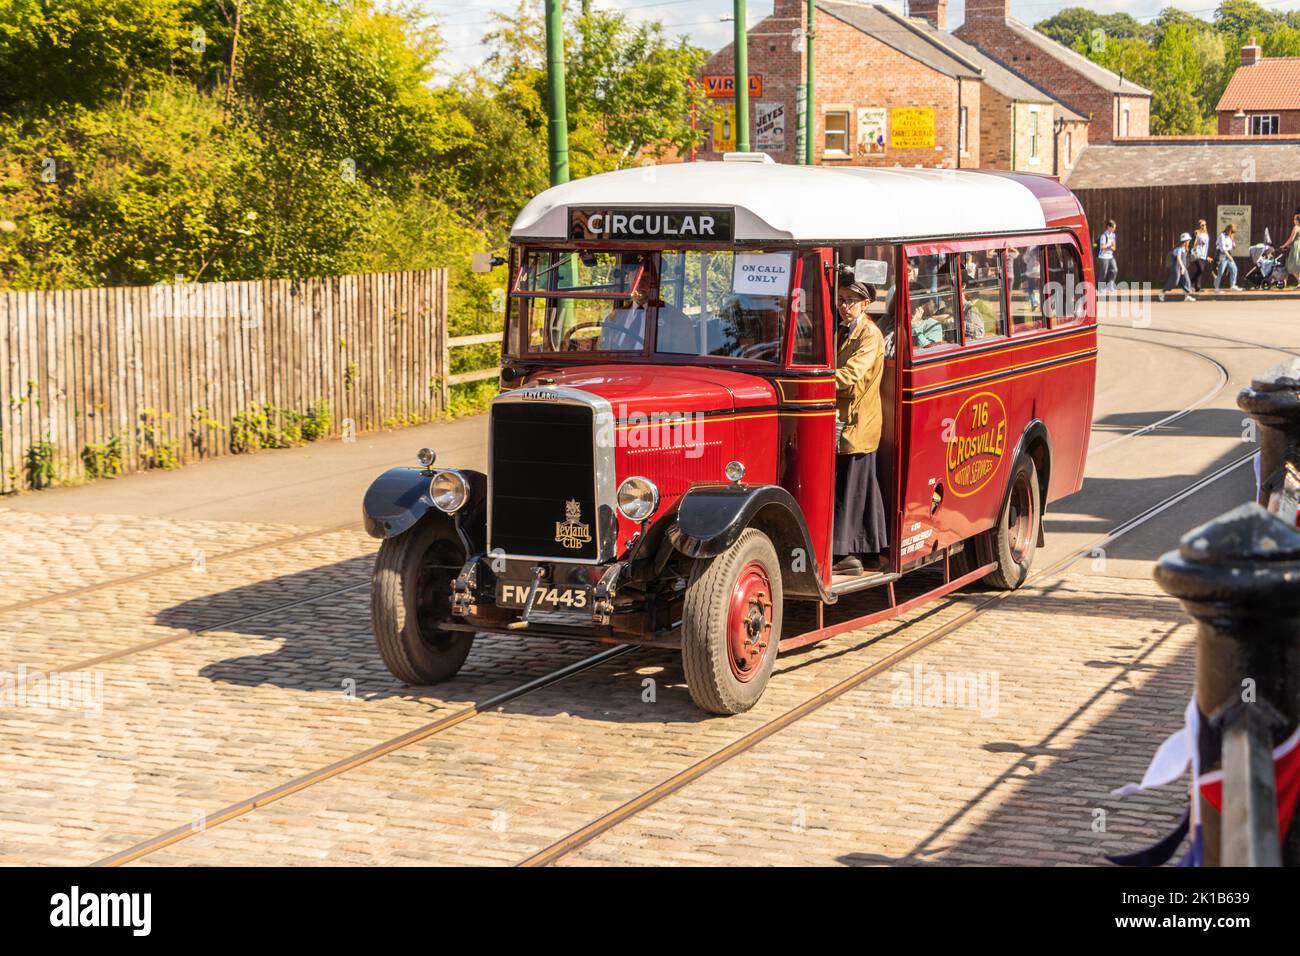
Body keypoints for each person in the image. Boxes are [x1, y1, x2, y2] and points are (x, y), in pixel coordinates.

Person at [833, 273, 887, 577]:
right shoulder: (843, 330)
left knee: (850, 488)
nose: (844, 306)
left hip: (856, 422)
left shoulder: (869, 336)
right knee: (858, 488)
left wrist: (814, 382)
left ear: (865, 304)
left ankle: (846, 553)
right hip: (843, 419)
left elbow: (850, 376)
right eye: (841, 300)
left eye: (850, 301)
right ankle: (866, 549)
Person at [1158, 233, 1196, 302]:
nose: (1189, 241)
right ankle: (1162, 293)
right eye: (1188, 240)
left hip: (1182, 267)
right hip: (1176, 267)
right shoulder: (1179, 249)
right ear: (1185, 241)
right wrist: (1182, 267)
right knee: (1174, 281)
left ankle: (1186, 296)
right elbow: (1178, 258)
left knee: (1187, 281)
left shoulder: (1186, 249)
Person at [1213, 224, 1242, 293]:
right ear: (1228, 230)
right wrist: (1228, 256)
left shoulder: (1230, 236)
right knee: (1220, 272)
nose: (1232, 233)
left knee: (1234, 269)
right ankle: (1216, 288)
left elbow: (1231, 246)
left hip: (1228, 254)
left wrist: (1233, 242)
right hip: (1222, 254)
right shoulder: (1222, 236)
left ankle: (1233, 285)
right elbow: (1222, 248)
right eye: (1231, 232)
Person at [1097, 220, 1118, 294]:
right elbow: (1102, 247)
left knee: (1114, 270)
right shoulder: (1103, 236)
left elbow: (1114, 247)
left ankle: (1110, 286)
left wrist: (1111, 247)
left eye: (1115, 228)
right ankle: (1100, 288)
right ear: (1109, 227)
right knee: (1103, 272)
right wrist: (1109, 246)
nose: (1114, 229)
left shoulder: (1113, 235)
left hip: (1110, 256)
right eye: (1113, 228)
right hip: (1103, 257)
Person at [1279, 213, 1300, 289]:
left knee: (1291, 264)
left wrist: (1284, 245)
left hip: (1296, 248)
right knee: (1297, 264)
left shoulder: (1296, 227)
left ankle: (1299, 281)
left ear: (1297, 220)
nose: (1293, 220)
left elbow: (1291, 239)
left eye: (1294, 219)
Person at [1189, 220, 1210, 292]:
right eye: (1202, 225)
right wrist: (1191, 252)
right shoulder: (1196, 233)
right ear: (1199, 226)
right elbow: (1191, 243)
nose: (1204, 226)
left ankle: (1197, 288)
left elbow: (1206, 246)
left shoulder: (1206, 234)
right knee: (1200, 269)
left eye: (1205, 225)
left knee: (1200, 272)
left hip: (1203, 255)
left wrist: (1207, 256)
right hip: (1196, 254)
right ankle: (1189, 284)